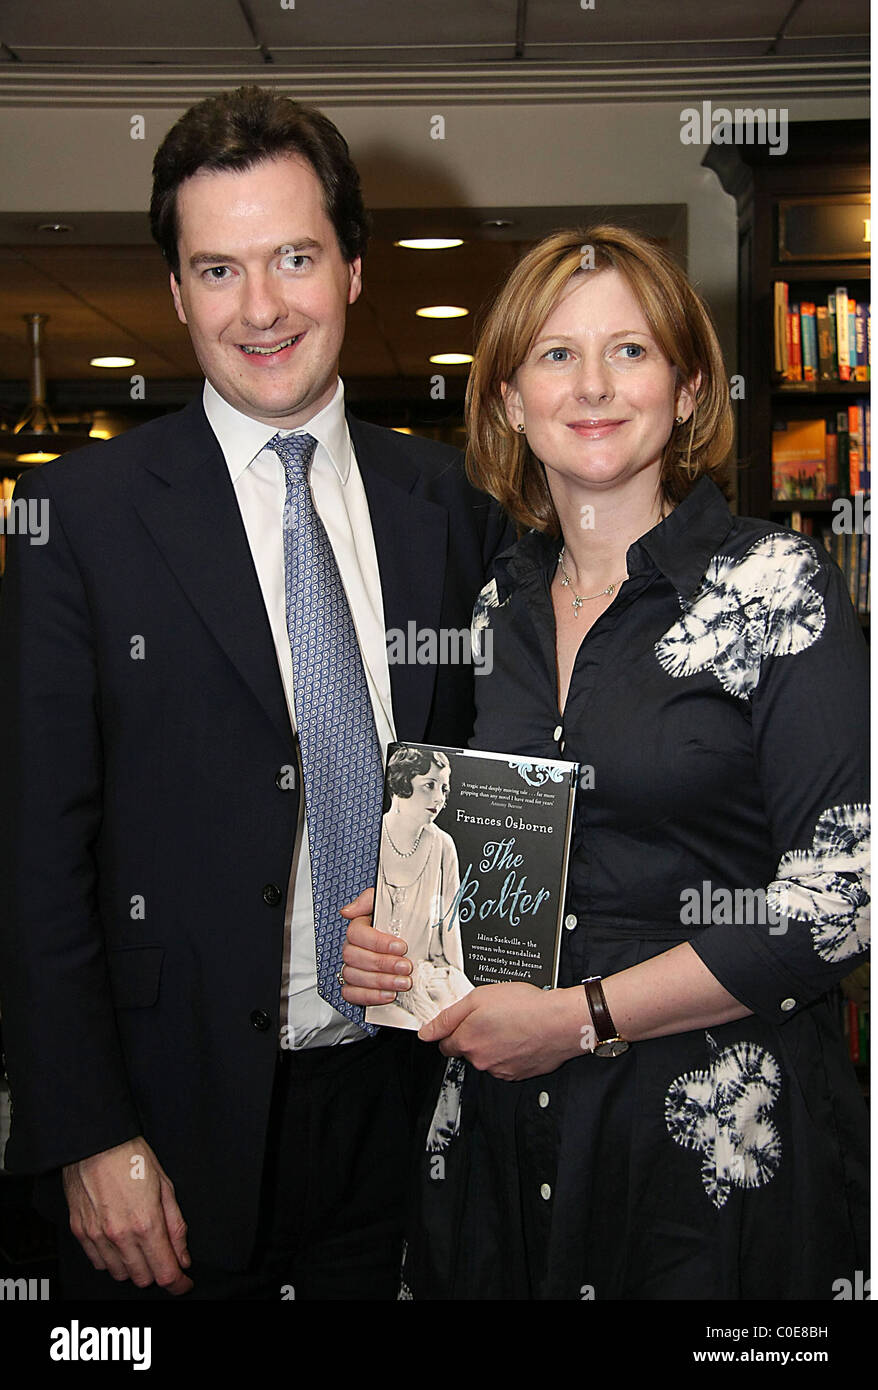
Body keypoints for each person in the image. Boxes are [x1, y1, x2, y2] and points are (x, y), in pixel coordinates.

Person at [0, 85, 510, 1301]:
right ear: (176, 294)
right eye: (217, 270)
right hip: (166, 1127)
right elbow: (31, 854)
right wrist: (83, 1130)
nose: (262, 307)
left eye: (293, 257)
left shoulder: (454, 508)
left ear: (350, 269)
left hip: (412, 1096)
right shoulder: (79, 520)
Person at [341, 225, 870, 1300]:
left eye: (629, 351)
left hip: (709, 1141)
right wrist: (401, 931)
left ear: (684, 390)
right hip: (502, 1134)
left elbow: (845, 895)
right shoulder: (489, 608)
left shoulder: (777, 583)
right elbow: (473, 839)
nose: (591, 385)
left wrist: (582, 1016)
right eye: (552, 354)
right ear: (504, 400)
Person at [368, 746, 471, 1030]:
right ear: (402, 783)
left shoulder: (444, 846)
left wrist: (459, 988)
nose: (439, 798)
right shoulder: (370, 835)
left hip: (425, 977)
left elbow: (450, 929)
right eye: (429, 786)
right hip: (371, 983)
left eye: (444, 789)